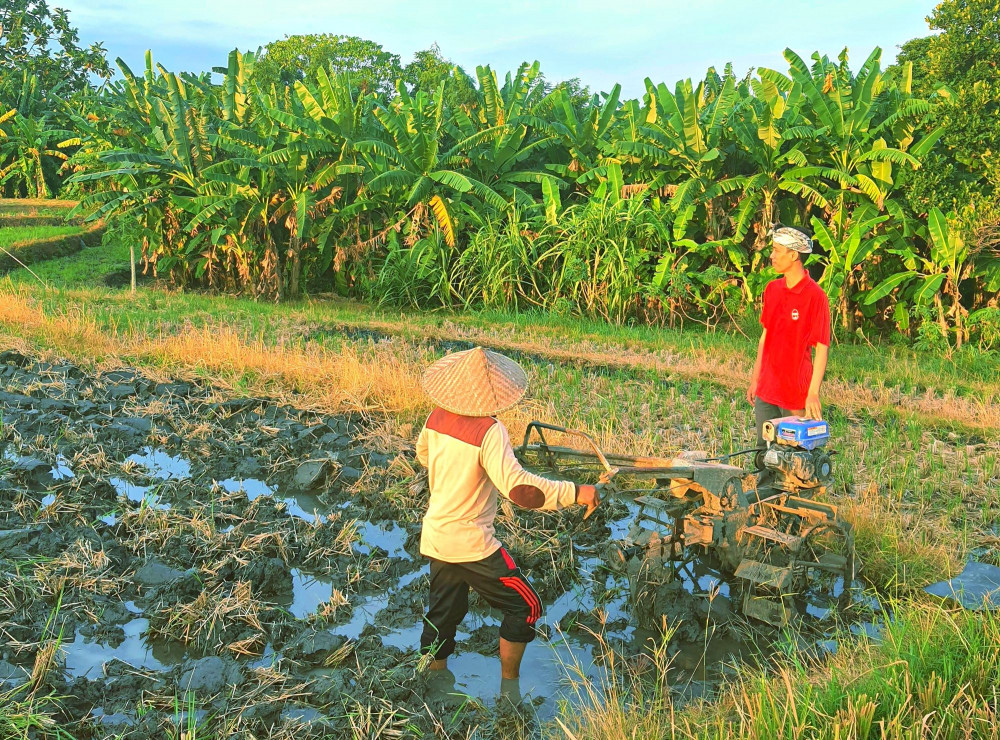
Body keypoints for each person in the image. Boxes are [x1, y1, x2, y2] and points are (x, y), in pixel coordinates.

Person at [414, 346, 600, 700]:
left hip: (437, 536)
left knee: (442, 614)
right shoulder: (490, 430)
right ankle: (509, 690)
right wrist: (577, 491)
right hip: (472, 544)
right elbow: (520, 491)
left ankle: (431, 687)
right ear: (493, 392)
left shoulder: (435, 418)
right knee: (526, 605)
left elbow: (425, 455)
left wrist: (461, 474)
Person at [747, 224, 831, 449]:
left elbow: (822, 348)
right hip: (767, 389)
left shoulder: (816, 297)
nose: (772, 256)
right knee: (763, 452)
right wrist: (756, 379)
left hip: (795, 394)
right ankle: (764, 486)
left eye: (776, 250)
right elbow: (765, 337)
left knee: (793, 454)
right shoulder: (772, 289)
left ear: (794, 255)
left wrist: (813, 393)